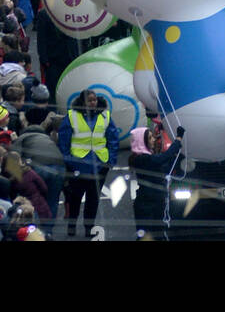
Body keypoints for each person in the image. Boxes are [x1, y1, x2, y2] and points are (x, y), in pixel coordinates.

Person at [58, 90, 119, 239]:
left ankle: (88, 228)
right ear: (82, 102)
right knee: (75, 198)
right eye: (89, 101)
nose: (93, 103)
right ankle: (72, 225)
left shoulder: (105, 116)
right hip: (78, 165)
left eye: (94, 100)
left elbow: (112, 139)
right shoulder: (72, 116)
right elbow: (64, 140)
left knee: (93, 199)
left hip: (99, 165)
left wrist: (110, 161)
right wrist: (68, 160)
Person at [129, 124, 184, 240]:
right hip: (146, 205)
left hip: (154, 202)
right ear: (141, 142)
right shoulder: (142, 159)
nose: (154, 139)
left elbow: (164, 167)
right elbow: (163, 158)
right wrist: (178, 140)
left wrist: (175, 157)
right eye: (150, 138)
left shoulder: (146, 157)